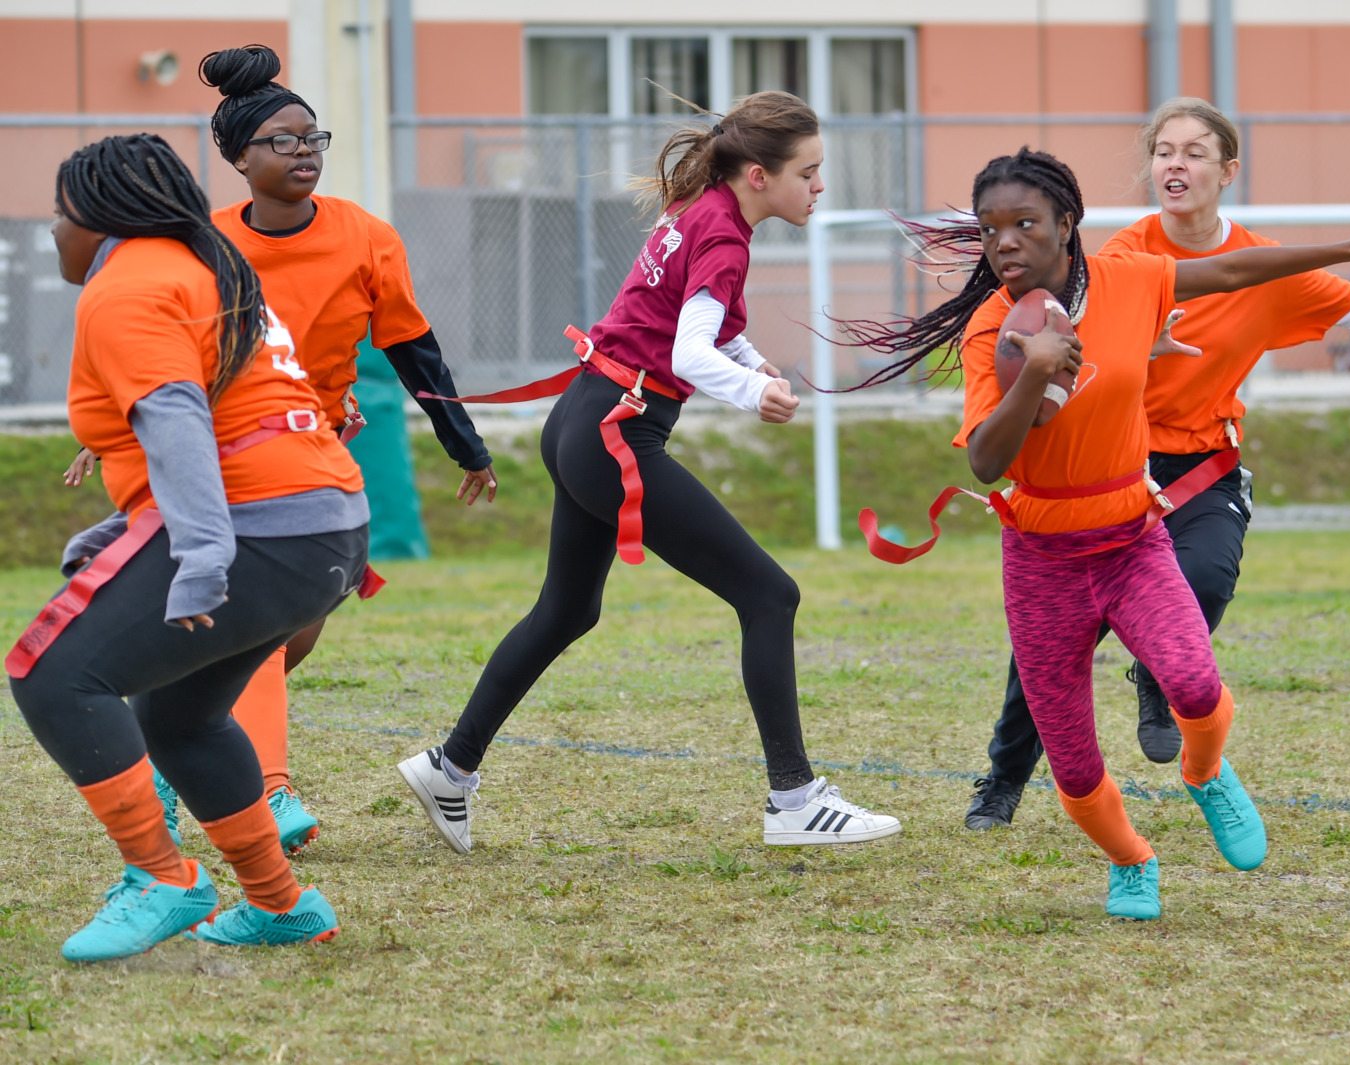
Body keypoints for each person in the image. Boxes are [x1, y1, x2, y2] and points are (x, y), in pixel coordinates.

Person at [837, 146, 1350, 917]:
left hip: (1131, 539)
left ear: (1067, 224)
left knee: (1195, 685)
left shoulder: (1130, 278)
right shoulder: (990, 329)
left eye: (1024, 223)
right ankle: (1132, 859)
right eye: (989, 228)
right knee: (1073, 768)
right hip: (1041, 560)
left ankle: (1206, 775)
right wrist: (1034, 367)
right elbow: (985, 461)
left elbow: (1240, 272)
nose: (1004, 242)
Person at [962, 99, 1350, 831]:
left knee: (1208, 579)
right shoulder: (1119, 262)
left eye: (1193, 152)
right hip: (1108, 460)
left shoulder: (1241, 262)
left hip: (1195, 463)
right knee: (1047, 653)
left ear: (1227, 170)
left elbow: (1335, 300)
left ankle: (1161, 683)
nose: (1175, 164)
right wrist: (1120, 348)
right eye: (1164, 150)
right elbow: (1050, 364)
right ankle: (1004, 778)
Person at [397, 91, 901, 853]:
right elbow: (686, 349)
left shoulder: (702, 206)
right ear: (760, 175)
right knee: (771, 594)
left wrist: (745, 355)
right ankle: (794, 797)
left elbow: (674, 314)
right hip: (615, 432)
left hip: (580, 416)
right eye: (811, 171)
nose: (821, 185)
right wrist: (752, 390)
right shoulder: (725, 235)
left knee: (567, 610)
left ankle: (450, 765)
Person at [62, 44, 500, 856]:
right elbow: (149, 345)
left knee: (290, 633)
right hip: (223, 448)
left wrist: (465, 444)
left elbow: (414, 349)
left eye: (313, 138)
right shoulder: (204, 243)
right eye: (282, 140)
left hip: (316, 451)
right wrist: (106, 435)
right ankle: (268, 790)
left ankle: (178, 743)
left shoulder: (366, 238)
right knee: (252, 624)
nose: (304, 151)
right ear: (237, 158)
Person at [8, 134, 367, 959]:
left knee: (51, 674)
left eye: (59, 215)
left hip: (257, 531)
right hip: (325, 522)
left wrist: (202, 561)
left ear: (99, 220)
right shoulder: (204, 266)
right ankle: (281, 905)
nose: (52, 232)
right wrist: (123, 533)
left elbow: (177, 421)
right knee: (181, 717)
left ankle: (161, 877)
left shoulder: (127, 288)